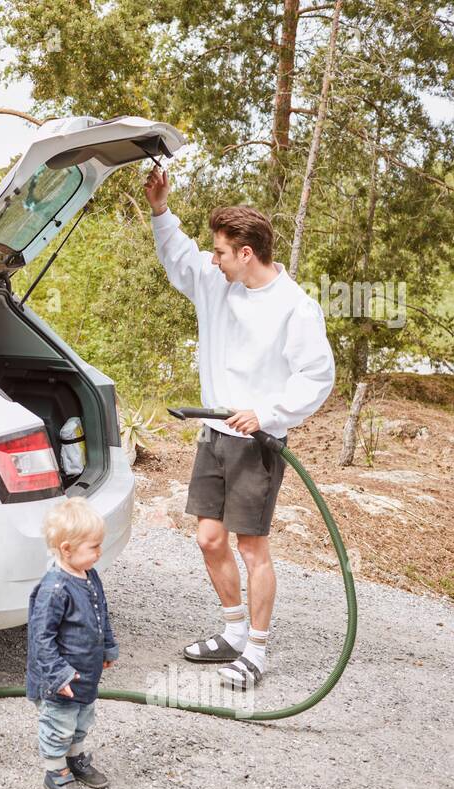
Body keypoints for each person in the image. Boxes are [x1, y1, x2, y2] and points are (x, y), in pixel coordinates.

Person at [144, 165, 335, 690]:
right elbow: (180, 258)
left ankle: (256, 649)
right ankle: (231, 631)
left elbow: (318, 375)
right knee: (208, 538)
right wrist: (161, 211)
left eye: (222, 251)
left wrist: (268, 414)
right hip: (214, 434)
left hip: (257, 442)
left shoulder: (295, 307)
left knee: (252, 548)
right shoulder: (216, 283)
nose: (214, 258)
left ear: (245, 253)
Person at [26, 497, 119, 789]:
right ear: (66, 549)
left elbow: (101, 612)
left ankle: (75, 758)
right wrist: (58, 674)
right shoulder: (55, 589)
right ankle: (55, 772)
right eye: (93, 547)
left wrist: (107, 645)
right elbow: (42, 638)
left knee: (81, 720)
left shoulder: (90, 576)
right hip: (61, 680)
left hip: (86, 673)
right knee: (58, 724)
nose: (99, 552)